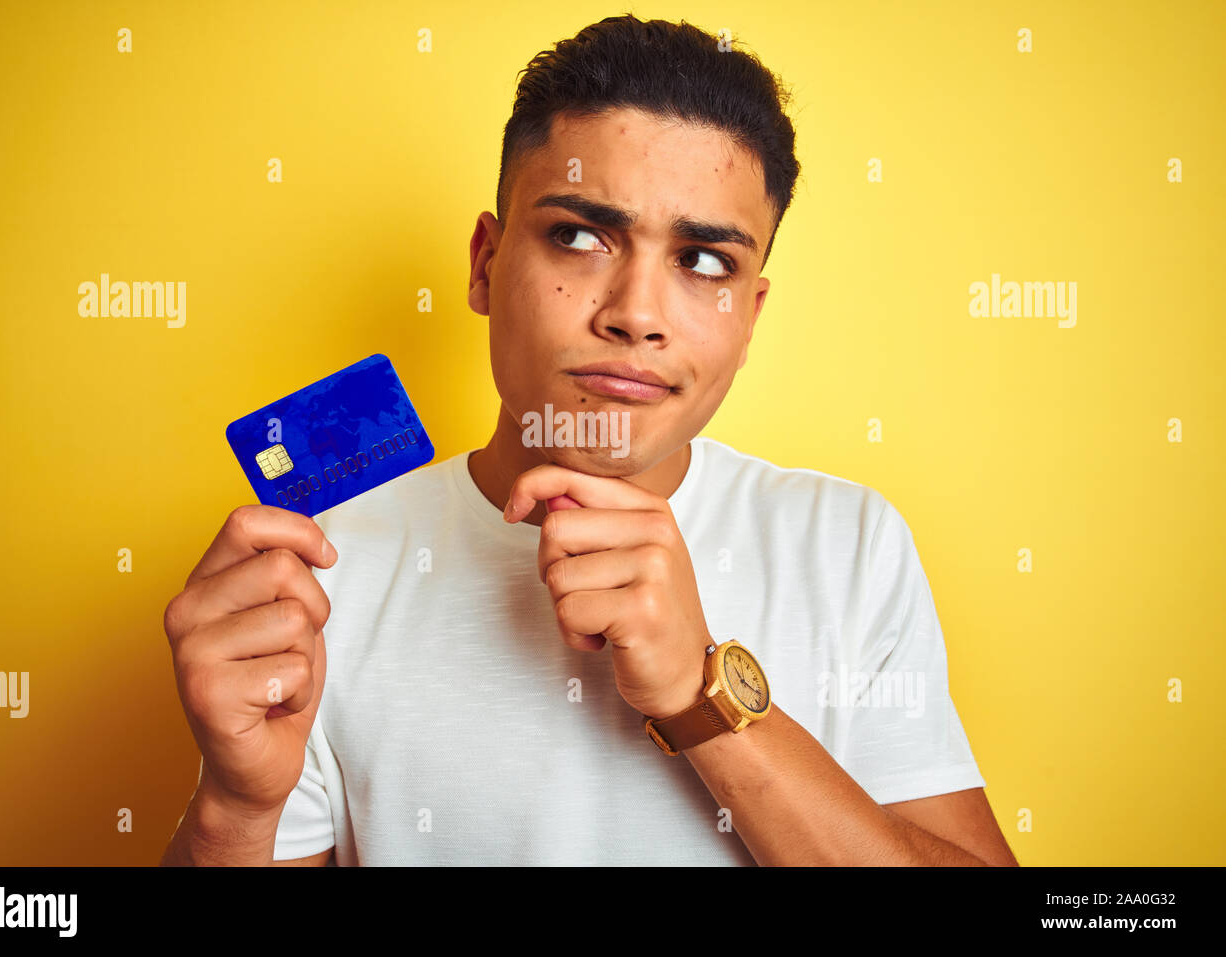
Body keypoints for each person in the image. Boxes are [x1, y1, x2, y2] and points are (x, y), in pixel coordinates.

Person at [161, 14, 1017, 866]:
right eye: (578, 235)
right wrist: (236, 810)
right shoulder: (319, 573)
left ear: (749, 317)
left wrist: (700, 693)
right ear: (484, 265)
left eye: (705, 262)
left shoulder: (849, 545)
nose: (636, 314)